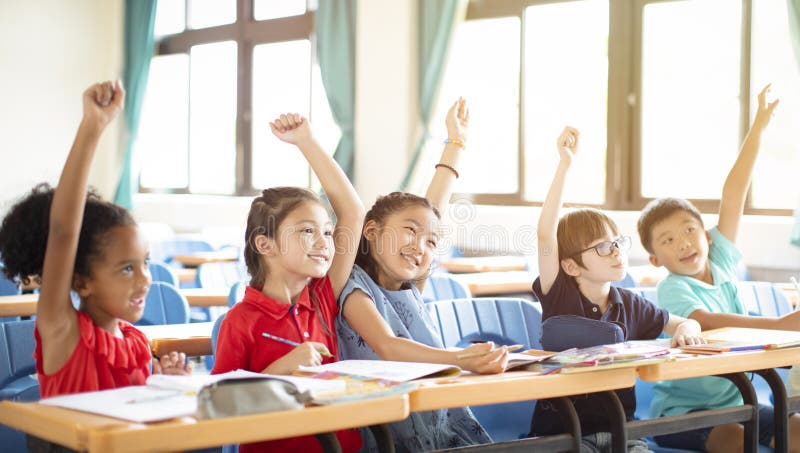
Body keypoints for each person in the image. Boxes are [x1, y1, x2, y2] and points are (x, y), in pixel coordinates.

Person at [336, 98, 510, 452]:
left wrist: (455, 144)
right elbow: (387, 345)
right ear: (370, 230)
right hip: (390, 437)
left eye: (430, 241)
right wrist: (461, 358)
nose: (420, 246)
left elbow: (434, 212)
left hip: (443, 430)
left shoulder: (411, 285)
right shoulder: (352, 286)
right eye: (409, 231)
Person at [0, 80, 191, 401]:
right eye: (126, 269)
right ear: (81, 281)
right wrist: (93, 126)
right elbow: (62, 231)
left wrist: (164, 385)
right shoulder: (64, 333)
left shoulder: (137, 342)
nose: (145, 279)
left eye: (144, 263)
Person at [636, 84, 800, 452]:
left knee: (798, 428)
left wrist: (758, 126)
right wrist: (779, 327)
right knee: (736, 439)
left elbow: (734, 192)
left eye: (690, 230)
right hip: (682, 415)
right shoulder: (672, 288)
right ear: (654, 260)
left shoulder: (721, 258)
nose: (683, 243)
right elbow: (707, 322)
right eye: (667, 241)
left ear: (708, 235)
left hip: (742, 406)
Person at [529, 126, 704, 453]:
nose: (616, 252)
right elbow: (544, 234)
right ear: (571, 266)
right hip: (562, 437)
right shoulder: (560, 295)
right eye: (602, 248)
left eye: (617, 244)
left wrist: (688, 330)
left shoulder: (631, 303)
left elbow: (681, 322)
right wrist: (565, 165)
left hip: (623, 433)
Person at [211, 113, 365, 453]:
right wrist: (282, 369)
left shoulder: (322, 298)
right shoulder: (241, 322)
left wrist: (307, 142)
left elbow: (352, 212)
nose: (325, 242)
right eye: (308, 231)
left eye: (327, 231)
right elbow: (220, 404)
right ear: (265, 244)